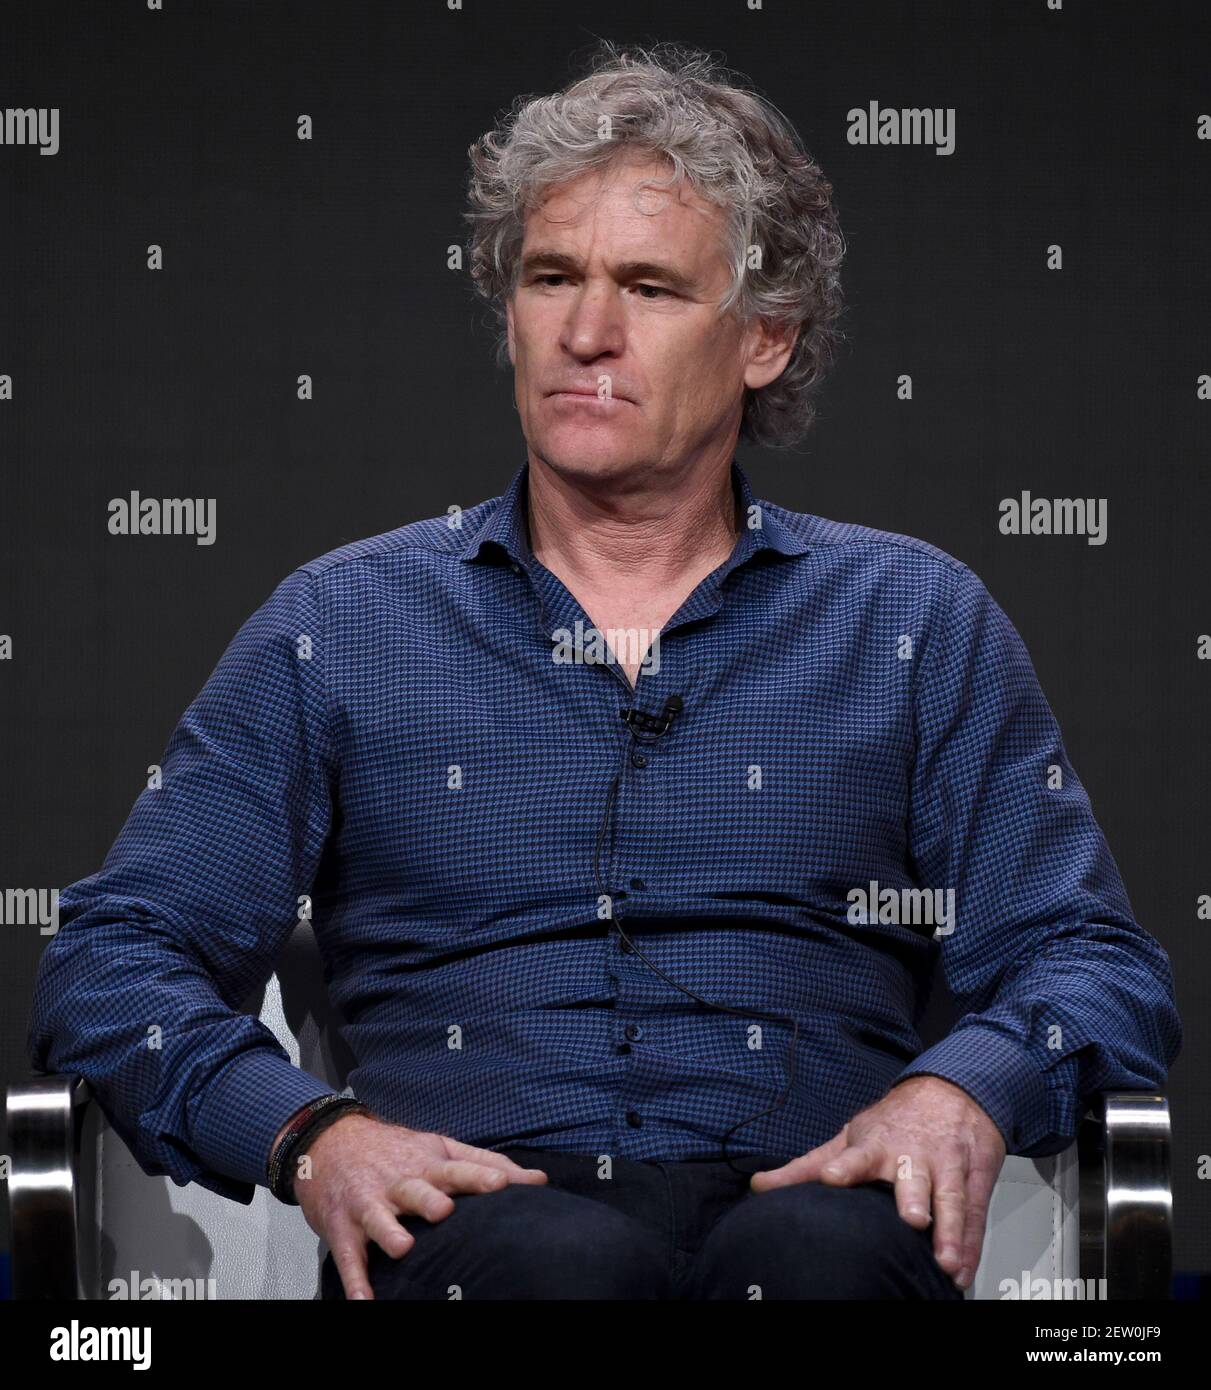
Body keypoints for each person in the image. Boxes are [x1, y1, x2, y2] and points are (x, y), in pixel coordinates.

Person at [27, 41, 1181, 1301]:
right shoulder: (343, 623)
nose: (584, 332)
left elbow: (1091, 961)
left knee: (806, 1268)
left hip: (810, 1209)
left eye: (647, 287)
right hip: (480, 1221)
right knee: (555, 1272)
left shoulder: (911, 619)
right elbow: (114, 958)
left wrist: (959, 1089)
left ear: (765, 338)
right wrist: (311, 1137)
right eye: (549, 277)